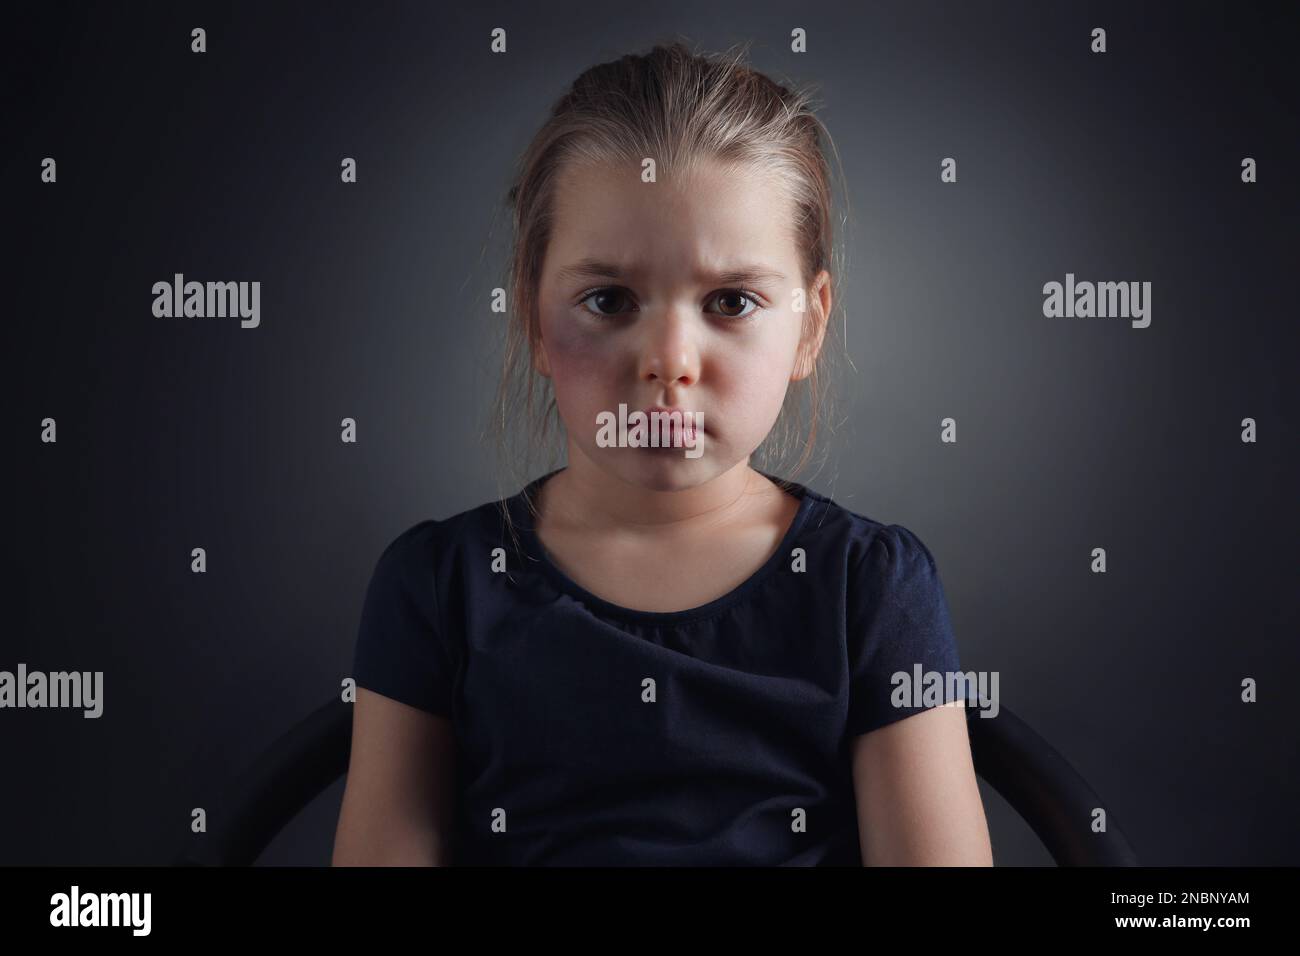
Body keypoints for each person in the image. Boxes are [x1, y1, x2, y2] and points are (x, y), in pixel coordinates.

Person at [332, 39, 992, 866]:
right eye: (608, 299)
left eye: (731, 301)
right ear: (536, 316)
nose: (668, 359)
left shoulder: (870, 589)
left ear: (811, 325)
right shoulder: (438, 588)